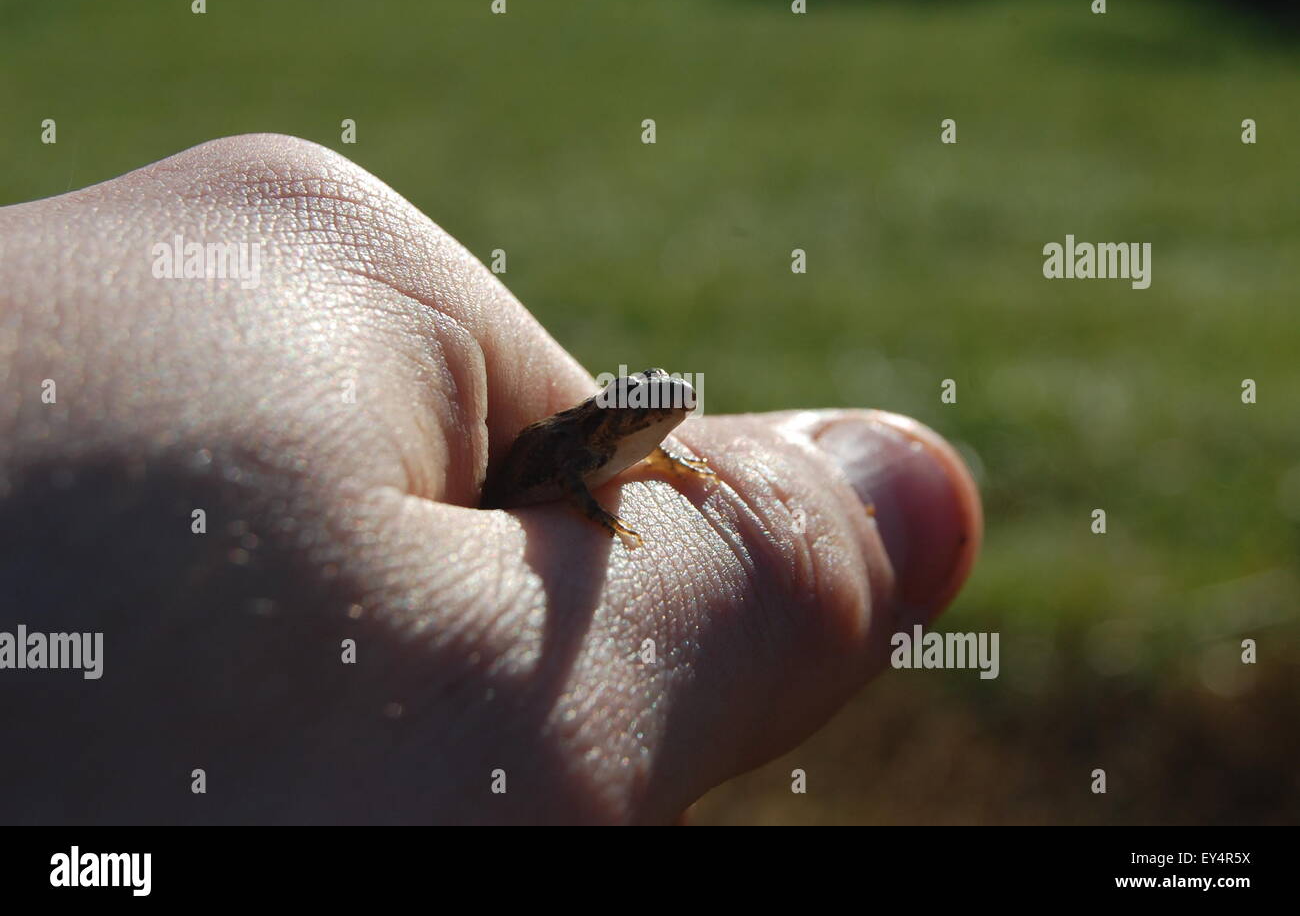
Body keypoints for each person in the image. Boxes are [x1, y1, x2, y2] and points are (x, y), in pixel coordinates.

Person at [0, 134, 981, 824]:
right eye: (658, 410)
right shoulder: (582, 449)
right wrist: (613, 522)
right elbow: (576, 477)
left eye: (673, 408)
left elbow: (642, 456)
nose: (673, 417)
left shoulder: (632, 437)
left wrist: (668, 466)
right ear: (630, 412)